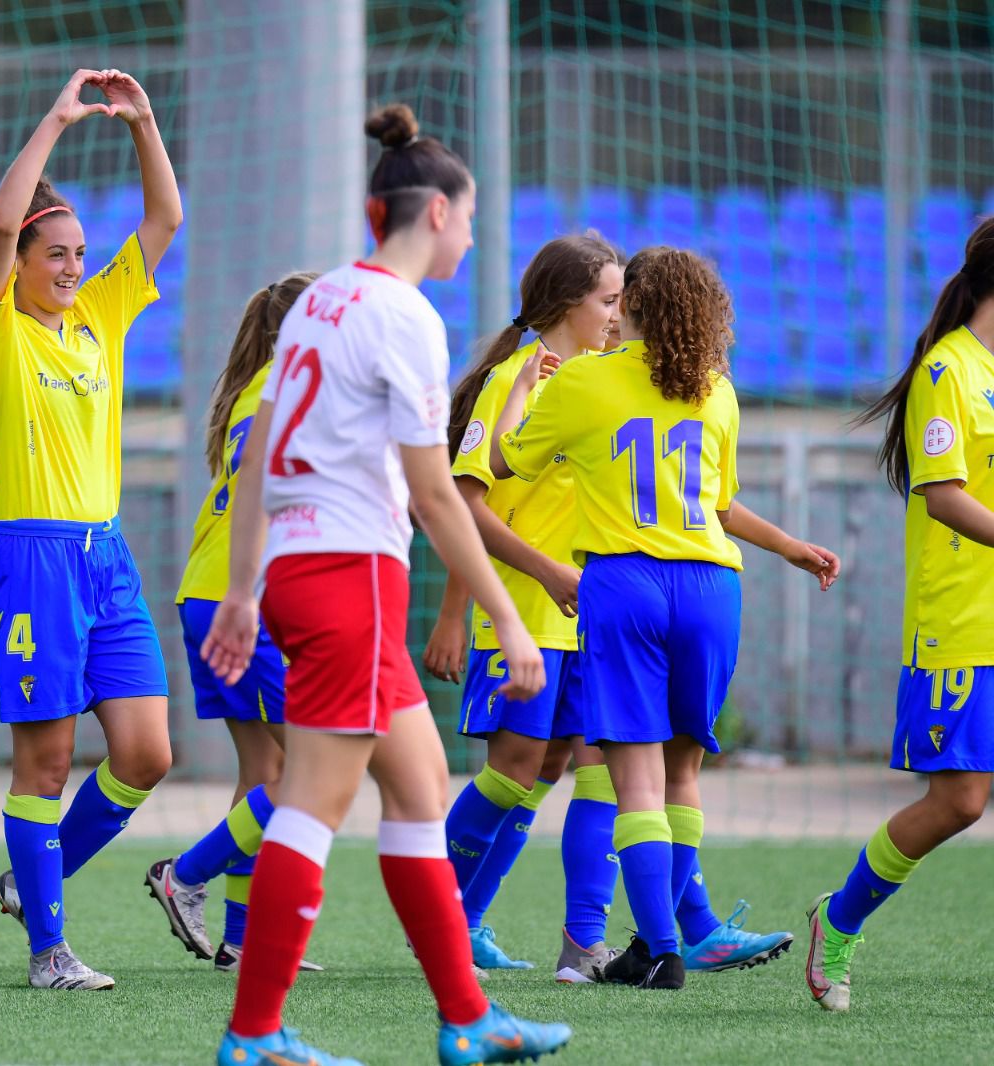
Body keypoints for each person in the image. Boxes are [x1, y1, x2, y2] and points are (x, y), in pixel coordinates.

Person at [204, 102, 572, 1066]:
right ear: (437, 212)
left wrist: (245, 589)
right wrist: (509, 619)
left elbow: (257, 458)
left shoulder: (319, 300)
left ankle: (468, 1019)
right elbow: (436, 495)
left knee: (417, 792)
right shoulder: (405, 316)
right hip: (350, 579)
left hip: (300, 571)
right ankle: (255, 1034)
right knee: (310, 806)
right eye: (471, 216)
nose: (474, 236)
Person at [430, 235, 796, 982]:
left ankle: (589, 942)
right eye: (606, 298)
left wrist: (787, 544)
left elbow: (710, 499)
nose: (615, 312)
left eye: (622, 299)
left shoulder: (618, 378)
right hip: (537, 604)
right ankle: (444, 915)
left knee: (601, 771)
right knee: (525, 771)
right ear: (573, 303)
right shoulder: (520, 378)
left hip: (601, 602)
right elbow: (465, 499)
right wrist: (463, 608)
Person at [0, 68, 182, 991]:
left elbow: (164, 219)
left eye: (80, 253)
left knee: (147, 754)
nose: (72, 267)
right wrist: (56, 118)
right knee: (46, 762)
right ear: (20, 263)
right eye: (56, 254)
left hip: (105, 554)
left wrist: (143, 122)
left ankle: (31, 884)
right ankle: (49, 951)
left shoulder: (97, 318)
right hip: (32, 559)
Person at [806, 217, 994, 1012]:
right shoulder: (949, 370)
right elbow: (943, 494)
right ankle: (840, 920)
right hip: (963, 620)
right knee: (960, 802)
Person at [145, 272, 326, 974]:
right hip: (244, 600)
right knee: (313, 767)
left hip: (211, 593)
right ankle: (185, 874)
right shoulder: (294, 391)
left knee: (267, 769)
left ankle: (242, 938)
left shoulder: (261, 389)